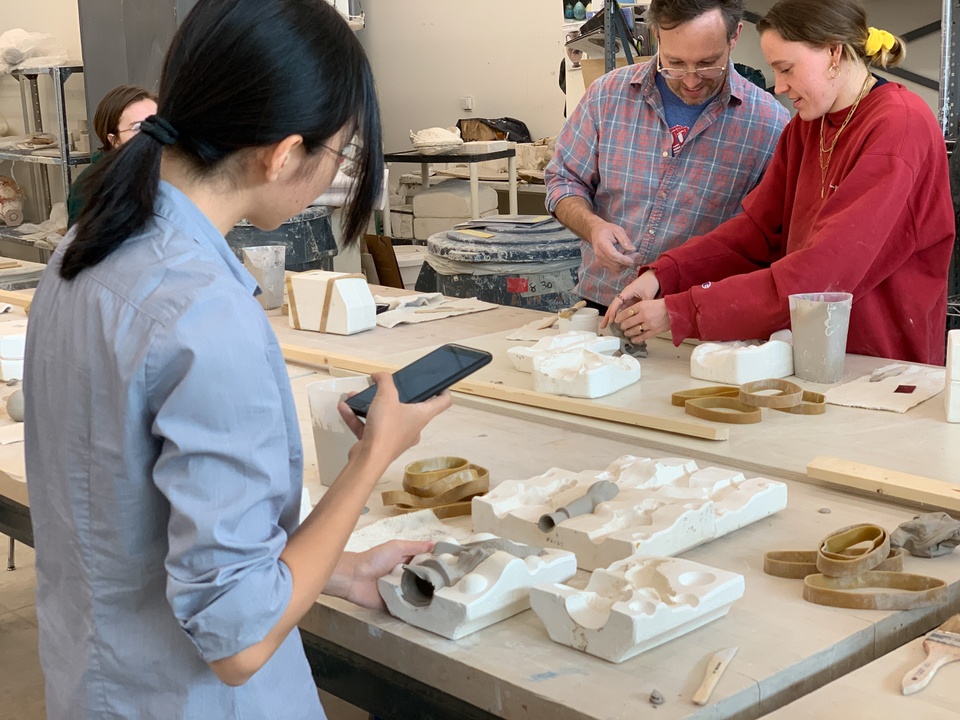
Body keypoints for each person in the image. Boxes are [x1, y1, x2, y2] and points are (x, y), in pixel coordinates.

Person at [24, 1, 450, 718]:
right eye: (338, 154)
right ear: (283, 154)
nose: (333, 175)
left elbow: (135, 524)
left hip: (103, 682)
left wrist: (337, 572)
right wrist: (371, 459)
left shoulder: (85, 246)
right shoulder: (204, 312)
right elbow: (238, 640)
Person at [606, 0, 955, 365]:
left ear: (834, 52)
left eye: (786, 69)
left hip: (883, 363)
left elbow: (821, 277)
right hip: (813, 350)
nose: (782, 86)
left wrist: (680, 311)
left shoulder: (899, 127)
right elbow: (756, 233)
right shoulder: (807, 125)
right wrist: (664, 276)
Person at [544, 0, 789, 313]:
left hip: (694, 319)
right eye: (674, 63)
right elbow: (563, 179)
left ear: (735, 36)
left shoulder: (769, 125)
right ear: (656, 34)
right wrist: (592, 227)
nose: (690, 80)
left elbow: (765, 239)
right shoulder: (607, 96)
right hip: (601, 305)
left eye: (707, 64)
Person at [66, 84, 157, 226]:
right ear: (114, 140)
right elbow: (85, 244)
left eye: (157, 124)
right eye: (139, 127)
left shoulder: (169, 171)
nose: (153, 133)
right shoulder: (91, 187)